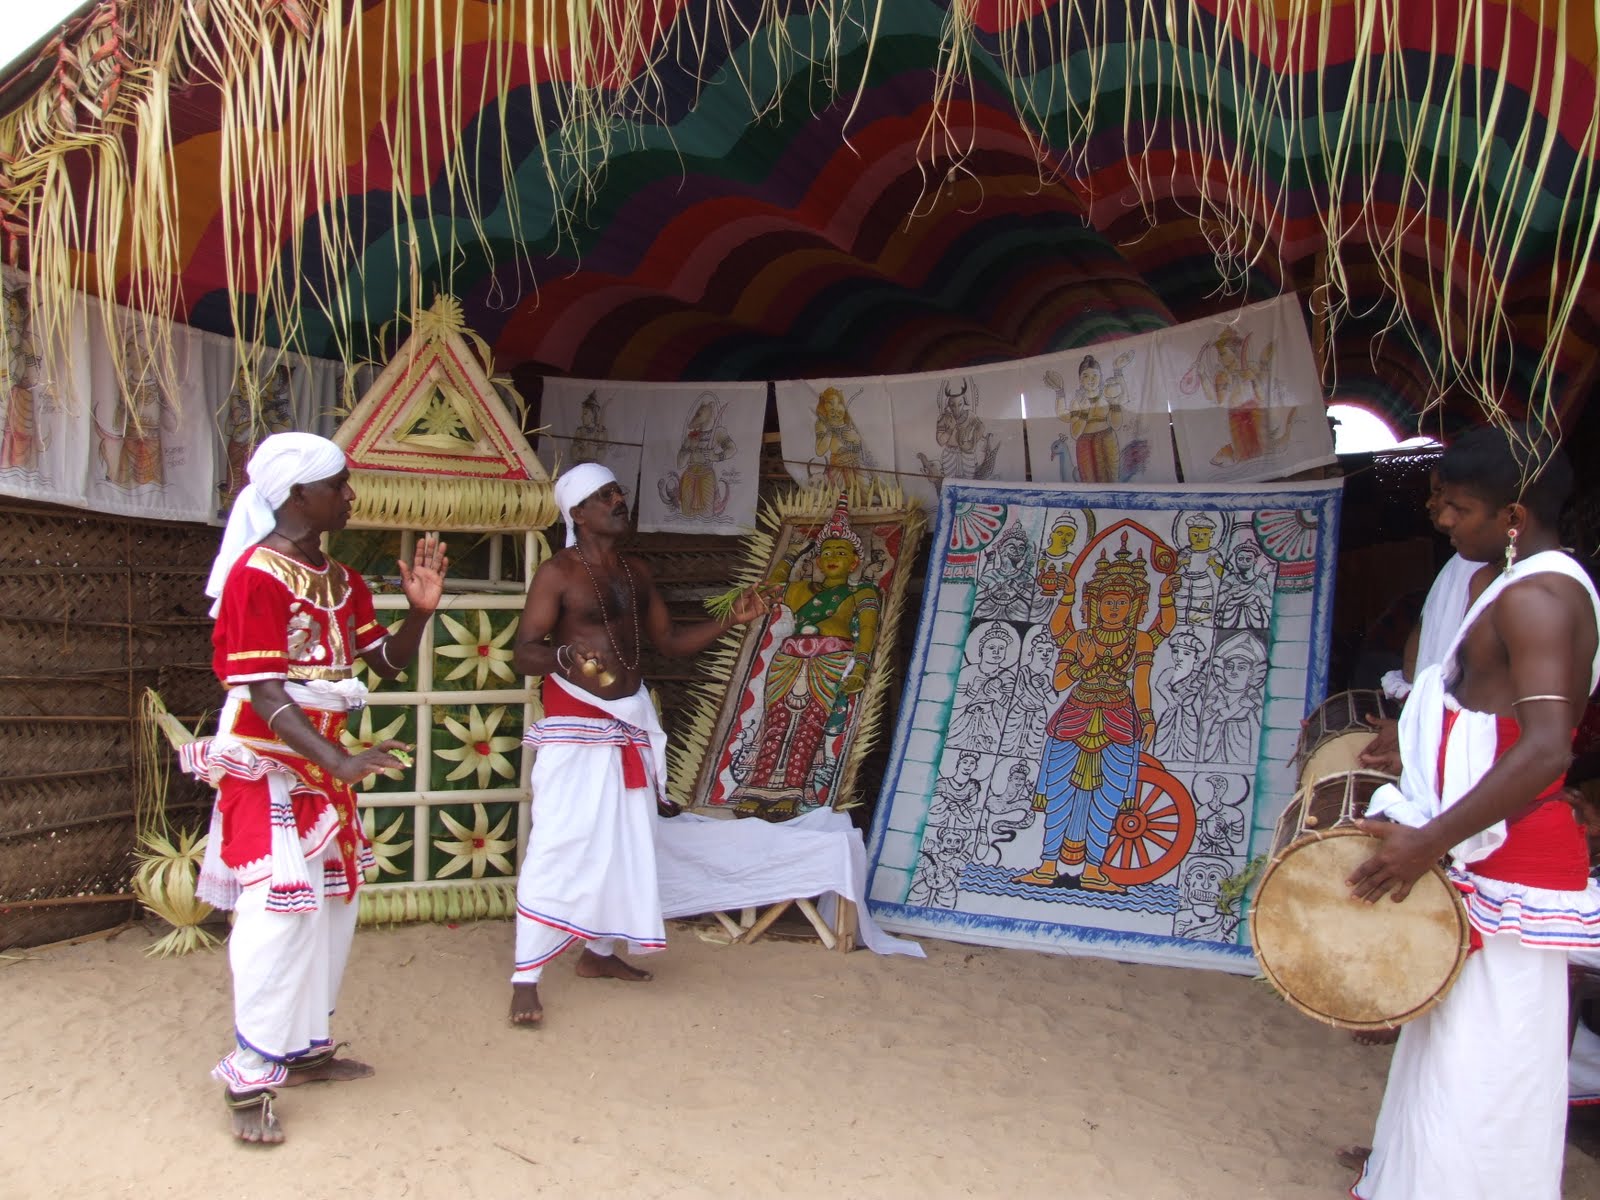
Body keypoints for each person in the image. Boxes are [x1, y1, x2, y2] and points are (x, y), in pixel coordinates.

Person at [1340, 424, 1600, 1199]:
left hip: (1507, 860)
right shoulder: (1513, 585)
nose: (1444, 521)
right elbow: (1493, 721)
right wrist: (1417, 748)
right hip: (1481, 850)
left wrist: (1427, 841)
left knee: (1488, 1068)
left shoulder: (1541, 599)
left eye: (1458, 508)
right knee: (1450, 1056)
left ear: (1513, 517)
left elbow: (1546, 749)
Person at [179, 432, 448, 1145]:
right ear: (299, 495)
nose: (350, 497)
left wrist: (420, 612)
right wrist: (338, 759)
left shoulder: (344, 580)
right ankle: (249, 1078)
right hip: (266, 764)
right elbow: (264, 690)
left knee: (332, 908)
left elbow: (381, 664)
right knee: (279, 914)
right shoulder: (255, 576)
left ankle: (301, 1050)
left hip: (321, 768)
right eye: (339, 485)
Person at [508, 462, 765, 1027]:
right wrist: (563, 657)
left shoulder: (636, 572)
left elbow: (668, 642)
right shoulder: (557, 573)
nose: (618, 500)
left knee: (625, 841)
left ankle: (598, 955)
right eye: (605, 495)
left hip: (629, 719)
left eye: (618, 491)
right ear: (578, 513)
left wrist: (733, 621)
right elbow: (523, 651)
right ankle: (526, 976)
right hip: (578, 721)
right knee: (559, 842)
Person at [1013, 533, 1179, 893]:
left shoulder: (1139, 640)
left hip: (1120, 720)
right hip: (1075, 718)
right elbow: (1059, 681)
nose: (1114, 608)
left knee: (1108, 798)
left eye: (1122, 602)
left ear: (1134, 606)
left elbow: (1142, 681)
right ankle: (1047, 865)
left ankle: (1093, 870)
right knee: (1059, 794)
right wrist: (1082, 665)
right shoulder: (1080, 638)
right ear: (1094, 603)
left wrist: (1147, 717)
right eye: (1108, 601)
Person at [730, 492, 880, 819]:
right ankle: (756, 790)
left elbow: (867, 630)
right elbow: (769, 589)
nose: (833, 557)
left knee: (810, 726)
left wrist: (861, 665)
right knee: (776, 724)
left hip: (831, 661)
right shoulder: (799, 590)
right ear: (818, 561)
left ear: (855, 562)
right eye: (826, 552)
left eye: (841, 552)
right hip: (788, 660)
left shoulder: (862, 592)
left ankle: (792, 791)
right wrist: (792, 554)